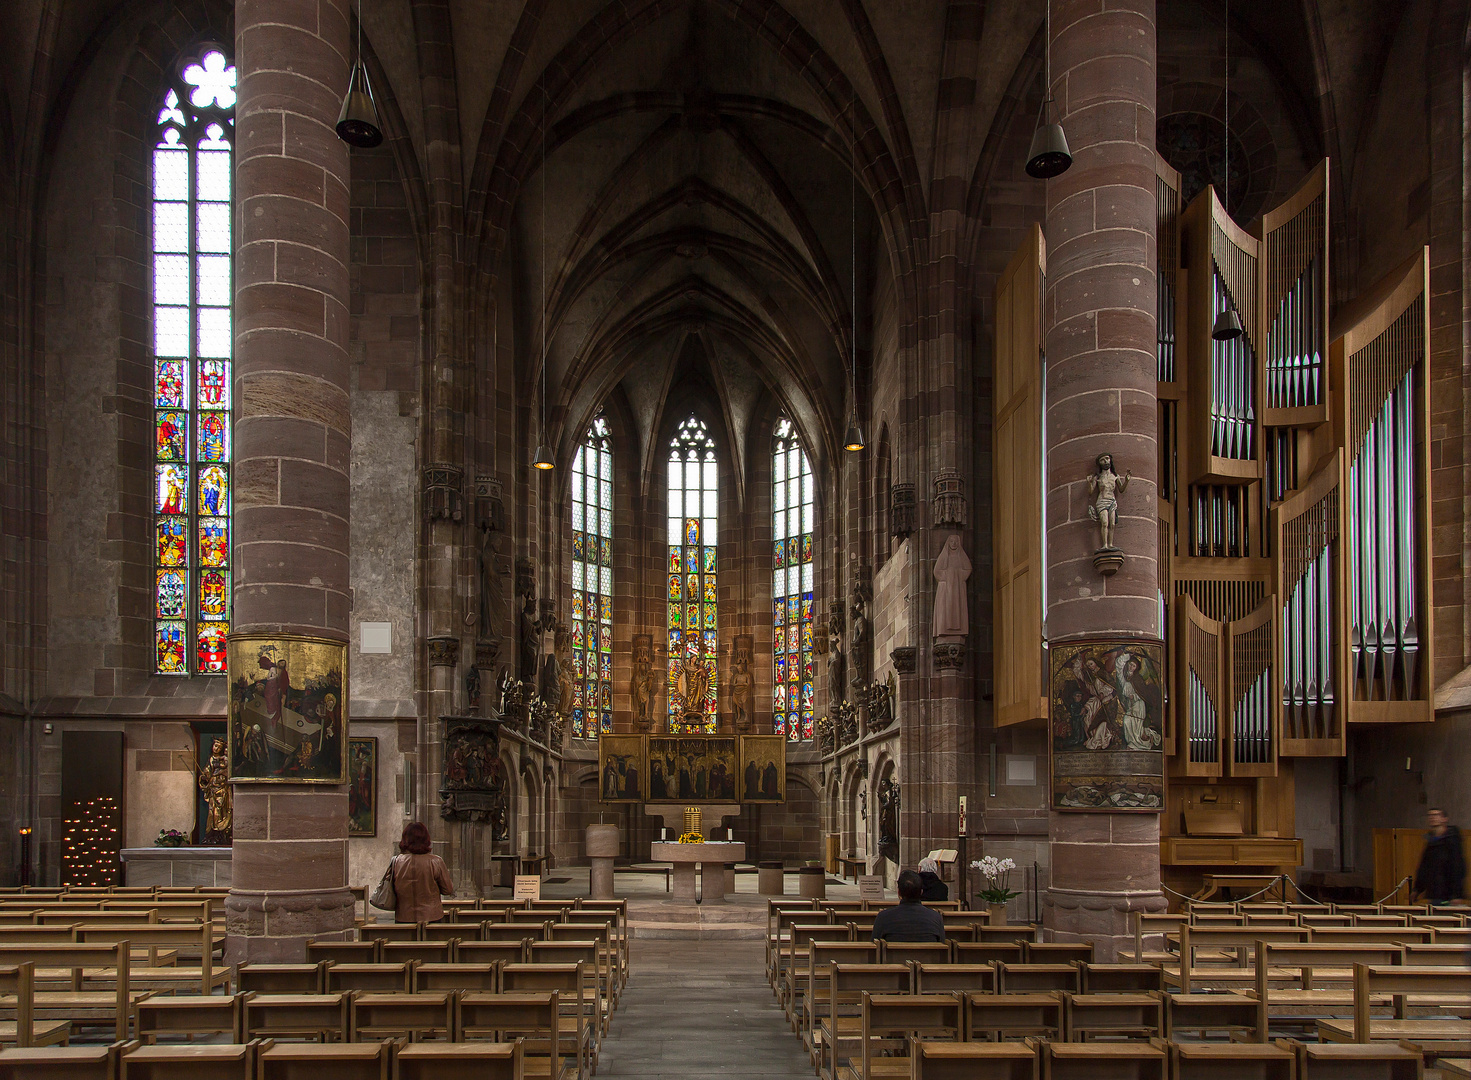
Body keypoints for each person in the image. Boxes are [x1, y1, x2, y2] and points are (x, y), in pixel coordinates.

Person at [390, 821, 455, 923]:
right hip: (431, 916)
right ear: (426, 839)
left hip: (404, 916)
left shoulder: (396, 861)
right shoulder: (435, 861)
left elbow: (390, 888)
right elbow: (448, 890)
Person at [870, 870, 946, 942]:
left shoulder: (883, 917)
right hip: (927, 956)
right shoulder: (936, 918)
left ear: (899, 892)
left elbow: (875, 947)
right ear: (921, 892)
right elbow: (942, 948)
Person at [1413, 808, 1466, 905]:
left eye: (1436, 815)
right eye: (1430, 815)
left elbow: (1458, 867)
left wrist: (1456, 894)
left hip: (1448, 893)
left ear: (1444, 819)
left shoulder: (1452, 839)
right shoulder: (1431, 841)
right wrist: (1417, 888)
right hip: (1433, 891)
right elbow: (1424, 867)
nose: (1432, 817)